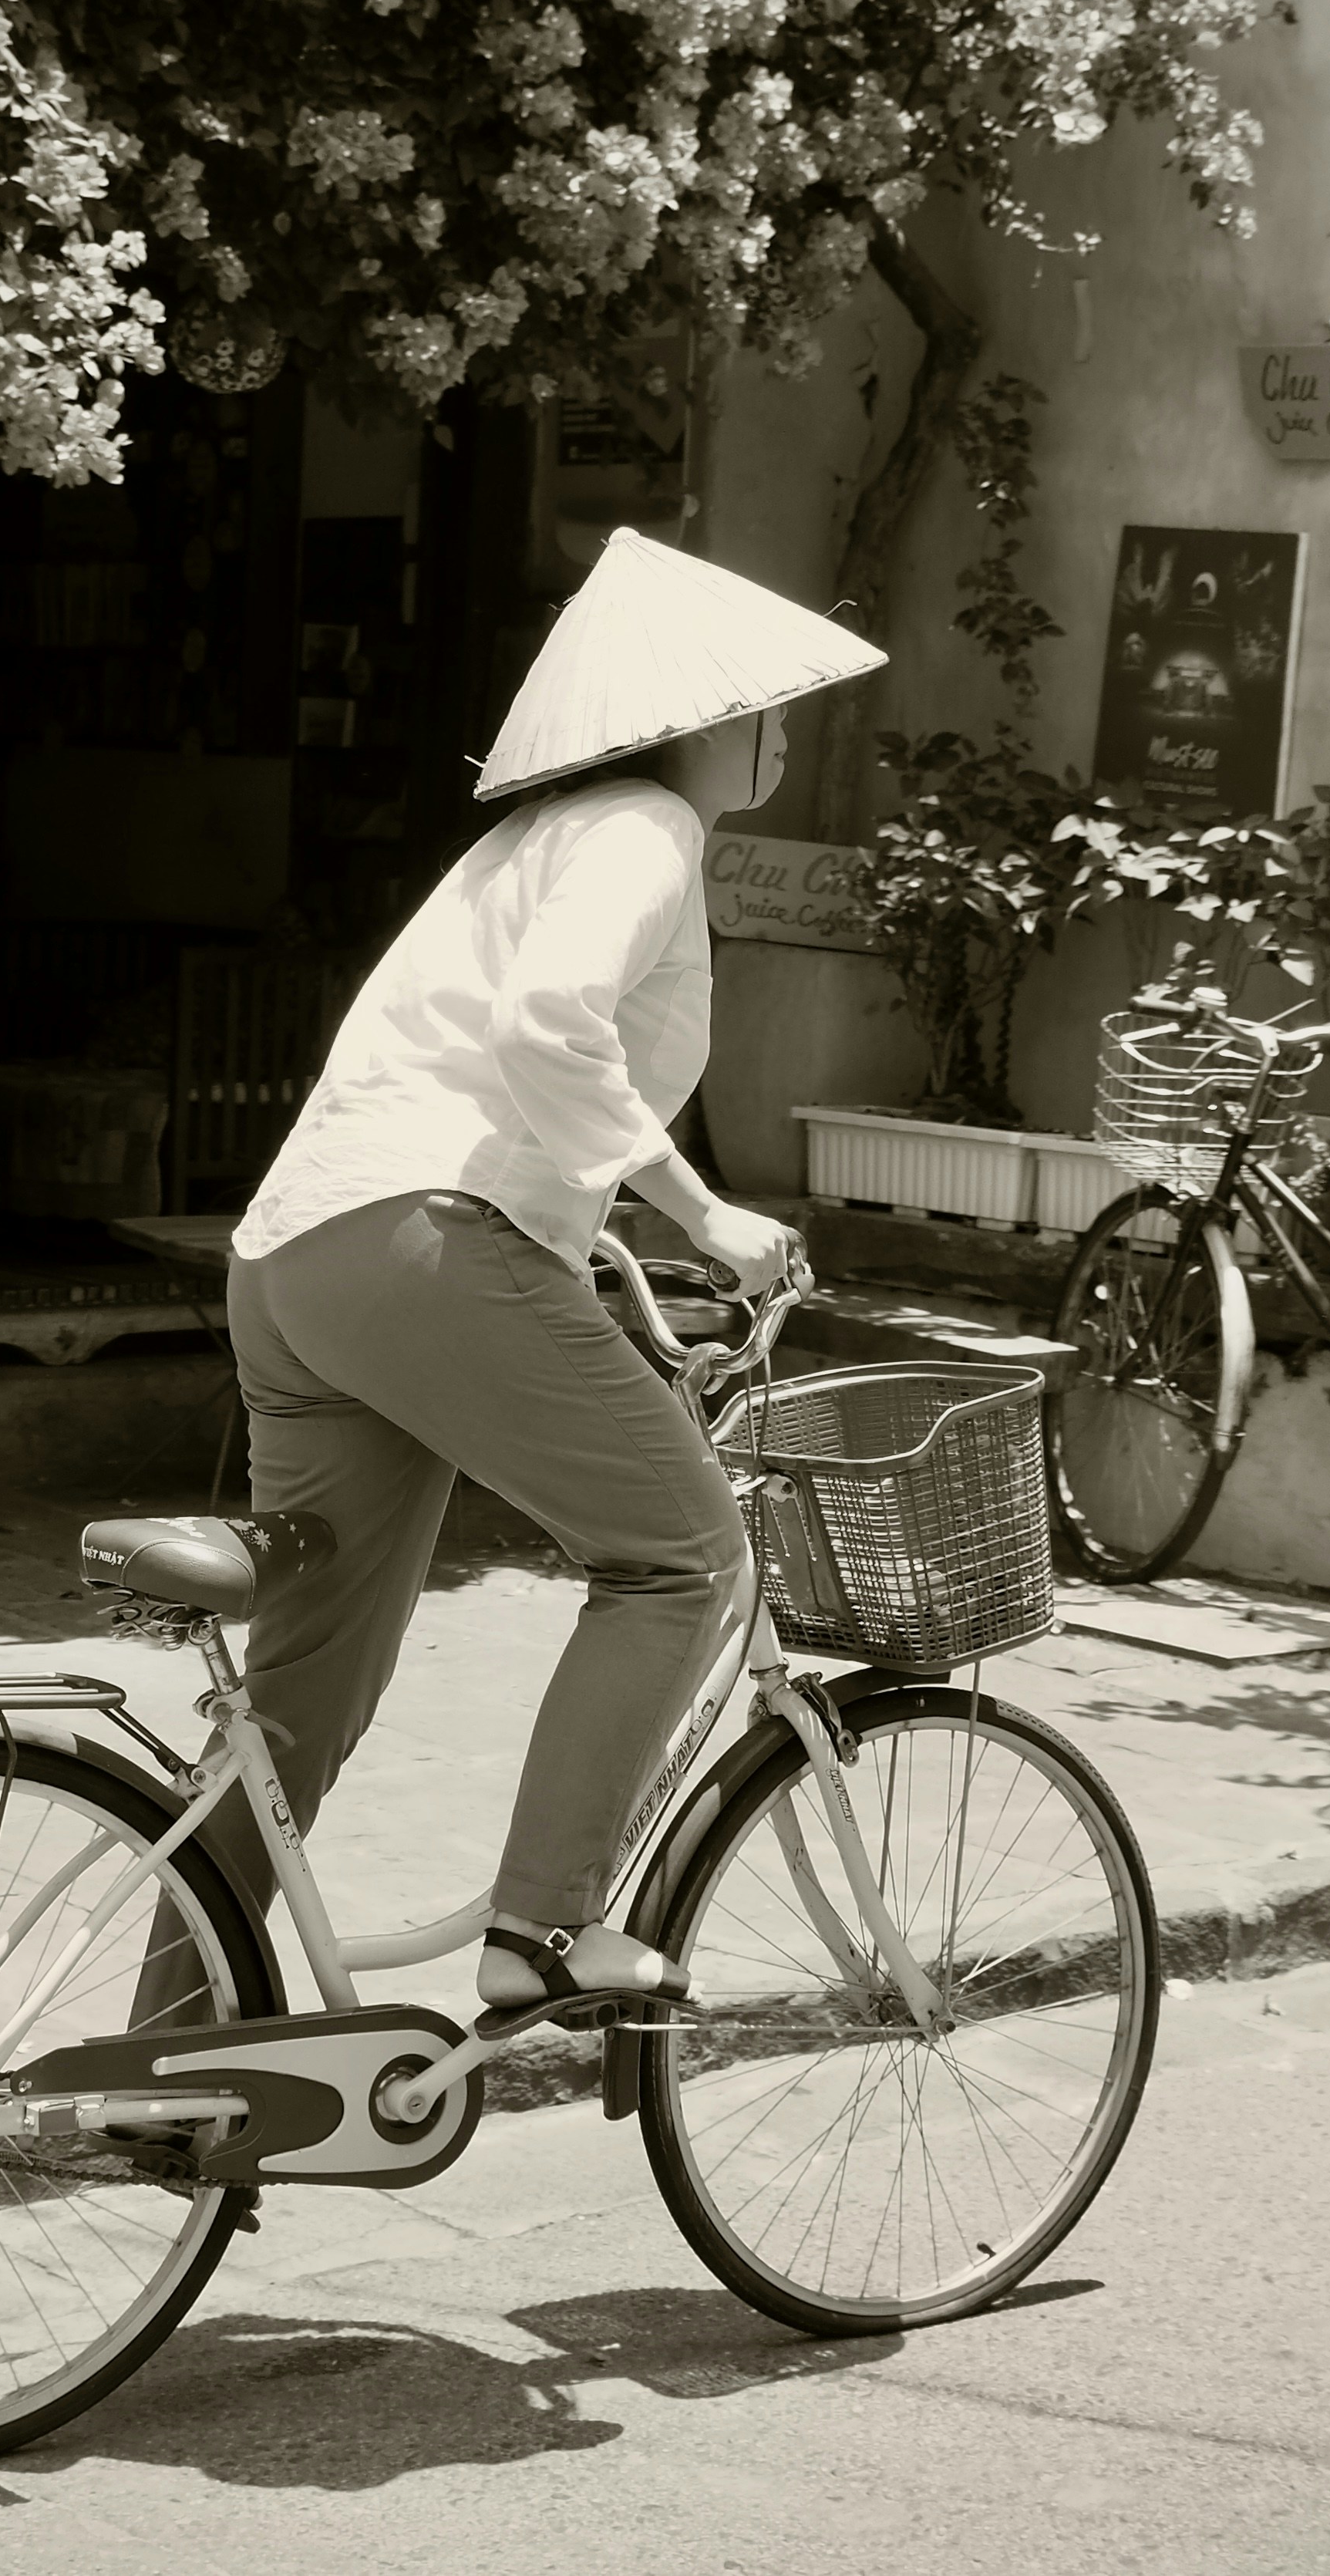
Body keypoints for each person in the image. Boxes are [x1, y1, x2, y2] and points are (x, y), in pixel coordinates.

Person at [212, 528, 884, 2022]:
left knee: (301, 1702)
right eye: (765, 702)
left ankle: (163, 2047)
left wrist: (613, 1258)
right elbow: (544, 1029)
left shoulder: (540, 838)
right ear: (703, 718)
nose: (781, 727)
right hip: (422, 1249)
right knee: (688, 1555)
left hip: (303, 1260)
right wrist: (705, 1215)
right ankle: (543, 1928)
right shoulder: (648, 832)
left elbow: (514, 1097)